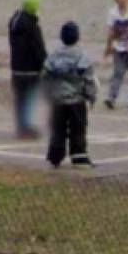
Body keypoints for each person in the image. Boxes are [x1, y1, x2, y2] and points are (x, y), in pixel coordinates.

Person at [42, 21, 97, 168]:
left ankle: (55, 155)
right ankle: (79, 156)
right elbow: (88, 78)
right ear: (77, 37)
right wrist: (91, 96)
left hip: (58, 100)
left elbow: (45, 76)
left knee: (57, 128)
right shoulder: (81, 56)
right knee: (78, 128)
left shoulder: (53, 56)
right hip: (76, 100)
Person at [7, 0, 47, 140]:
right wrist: (45, 64)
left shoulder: (14, 24)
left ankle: (21, 124)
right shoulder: (33, 28)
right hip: (30, 70)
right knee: (28, 97)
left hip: (16, 68)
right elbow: (38, 49)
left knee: (20, 98)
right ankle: (25, 126)